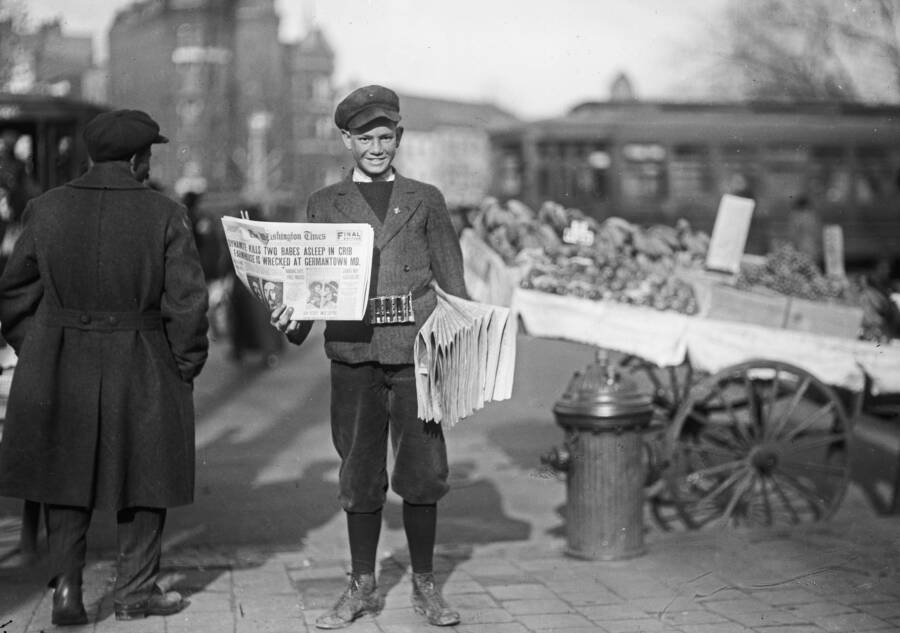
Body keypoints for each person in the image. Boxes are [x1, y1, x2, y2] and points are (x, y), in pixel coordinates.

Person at [0, 109, 209, 625]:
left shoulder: (45, 209)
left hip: (59, 358)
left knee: (64, 476)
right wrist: (183, 365)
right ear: (140, 160)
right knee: (144, 474)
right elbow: (187, 304)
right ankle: (135, 592)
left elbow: (12, 295)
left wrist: (41, 347)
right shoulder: (166, 213)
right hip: (142, 358)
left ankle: (67, 593)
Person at [271, 85, 468, 629]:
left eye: (386, 137)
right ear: (346, 140)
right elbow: (307, 286)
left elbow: (455, 288)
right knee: (359, 472)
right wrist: (293, 322)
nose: (377, 147)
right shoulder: (324, 204)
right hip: (353, 354)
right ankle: (362, 585)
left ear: (398, 137)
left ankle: (426, 585)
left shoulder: (426, 198)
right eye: (365, 138)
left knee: (424, 471)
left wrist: (462, 351)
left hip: (415, 355)